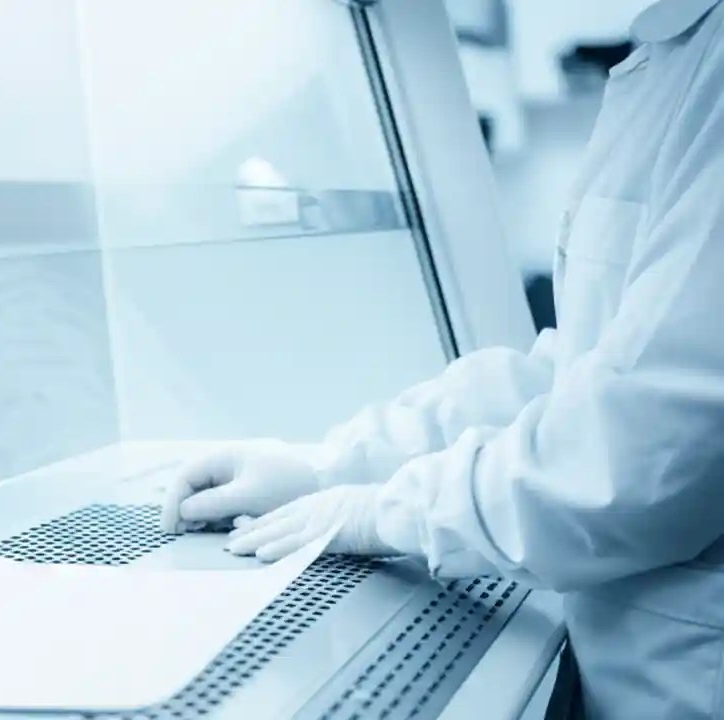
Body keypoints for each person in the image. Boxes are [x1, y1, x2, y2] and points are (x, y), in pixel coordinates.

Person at [162, 0, 724, 716]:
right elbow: (572, 378)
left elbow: (650, 444)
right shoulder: (678, 52)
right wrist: (329, 467)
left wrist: (382, 514)